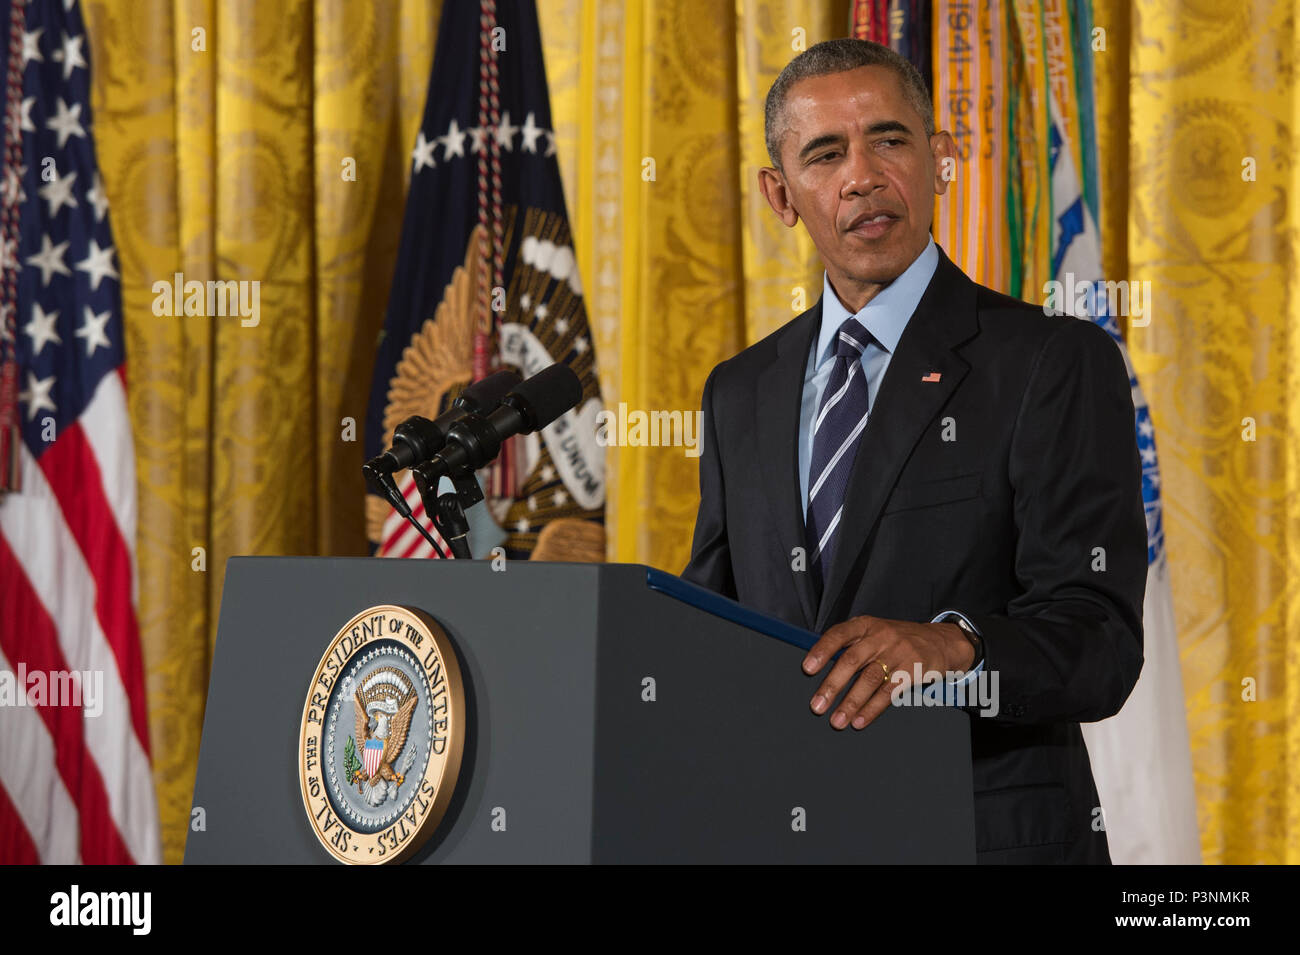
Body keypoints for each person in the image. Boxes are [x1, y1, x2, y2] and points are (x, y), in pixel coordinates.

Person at [681, 38, 1147, 864]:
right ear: (780, 194)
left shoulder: (1049, 362)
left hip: (982, 839)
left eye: (890, 140)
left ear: (938, 159)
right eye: (826, 154)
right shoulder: (738, 393)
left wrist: (953, 647)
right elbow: (710, 633)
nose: (863, 174)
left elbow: (1100, 641)